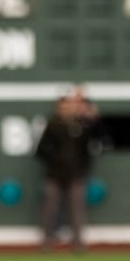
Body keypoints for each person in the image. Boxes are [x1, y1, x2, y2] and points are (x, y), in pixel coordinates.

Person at [36, 95, 91, 252]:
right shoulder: (52, 125)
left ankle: (78, 243)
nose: (66, 110)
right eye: (63, 107)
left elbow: (87, 150)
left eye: (68, 107)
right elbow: (40, 150)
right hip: (54, 174)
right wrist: (53, 161)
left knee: (77, 210)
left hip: (75, 173)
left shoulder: (81, 125)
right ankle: (46, 242)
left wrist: (82, 168)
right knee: (49, 209)